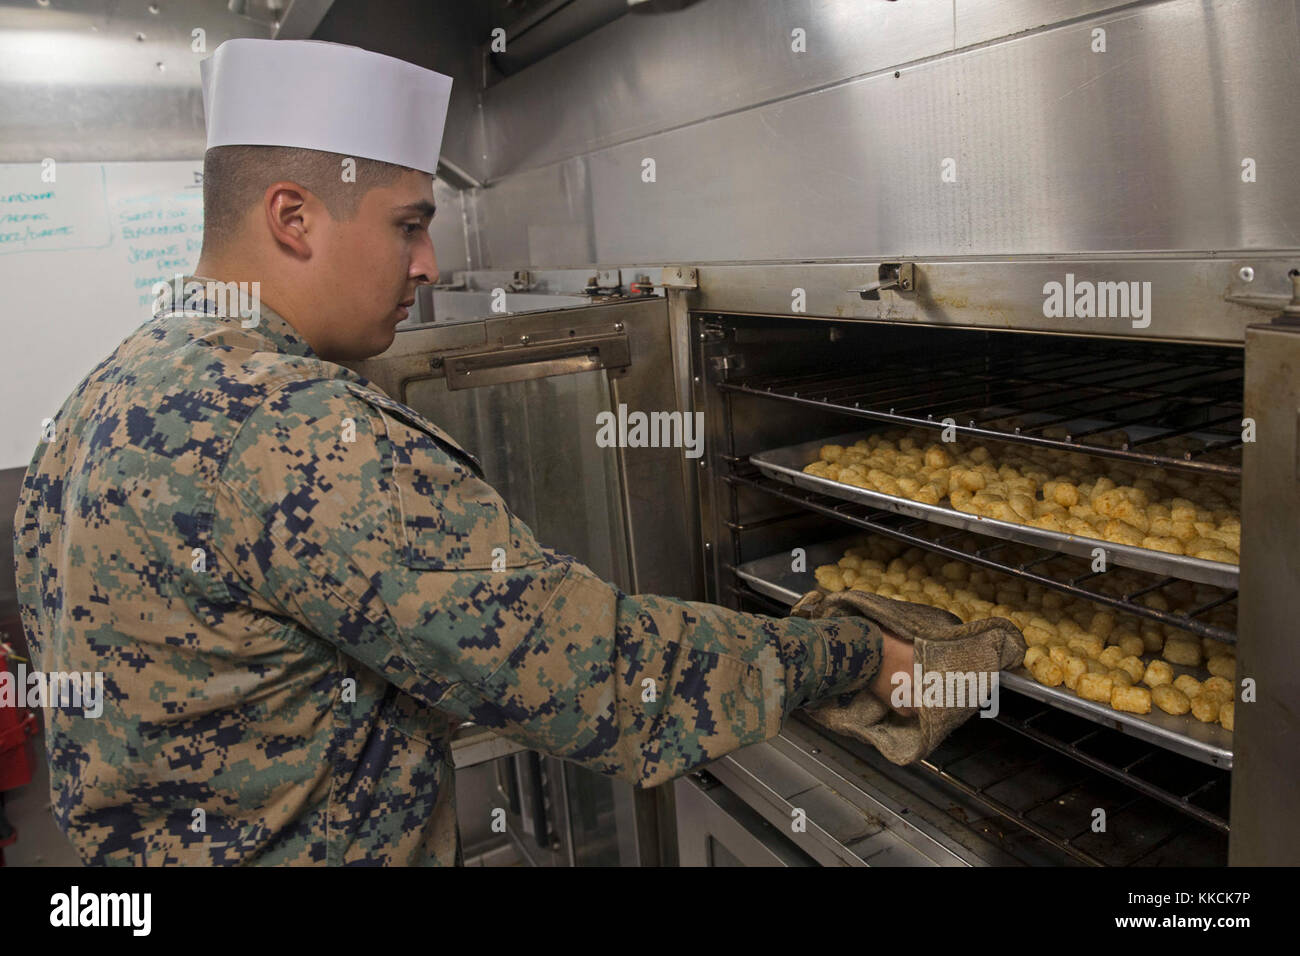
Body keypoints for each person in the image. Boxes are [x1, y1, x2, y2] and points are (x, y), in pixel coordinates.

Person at [12, 38, 912, 866]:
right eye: (408, 224)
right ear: (294, 218)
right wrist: (853, 654)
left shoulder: (102, 395)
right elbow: (602, 675)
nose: (429, 265)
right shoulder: (295, 427)